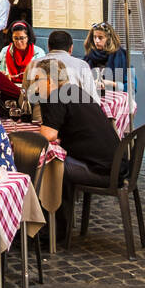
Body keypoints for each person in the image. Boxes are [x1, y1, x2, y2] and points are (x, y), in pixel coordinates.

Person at [30, 59, 125, 229]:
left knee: (51, 166)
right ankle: (58, 225)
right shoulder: (74, 91)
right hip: (115, 164)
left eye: (38, 79)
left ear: (50, 81)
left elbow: (48, 135)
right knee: (55, 163)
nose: (35, 85)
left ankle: (52, 228)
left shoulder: (56, 96)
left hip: (101, 170)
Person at [45, 29, 102, 103]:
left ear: (48, 47)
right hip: (72, 113)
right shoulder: (81, 65)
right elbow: (93, 99)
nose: (97, 41)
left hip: (38, 113)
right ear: (71, 48)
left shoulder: (33, 64)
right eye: (94, 37)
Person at [0, 21, 44, 86]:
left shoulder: (38, 53)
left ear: (28, 37)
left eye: (22, 38)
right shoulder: (5, 51)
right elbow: (1, 71)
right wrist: (4, 75)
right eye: (16, 38)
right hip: (11, 87)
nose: (19, 42)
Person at [83, 21, 128, 88]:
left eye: (100, 38)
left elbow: (131, 86)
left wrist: (111, 84)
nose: (97, 41)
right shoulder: (89, 56)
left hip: (114, 96)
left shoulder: (121, 56)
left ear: (109, 39)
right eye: (94, 37)